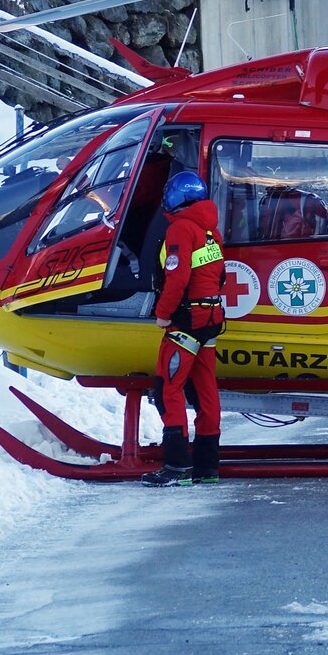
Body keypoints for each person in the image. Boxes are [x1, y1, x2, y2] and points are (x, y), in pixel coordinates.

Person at [142, 170, 228, 486]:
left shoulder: (180, 229)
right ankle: (207, 467)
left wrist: (164, 314)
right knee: (206, 391)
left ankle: (177, 466)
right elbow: (219, 277)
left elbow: (177, 278)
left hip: (186, 322)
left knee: (169, 387)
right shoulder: (211, 231)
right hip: (211, 320)